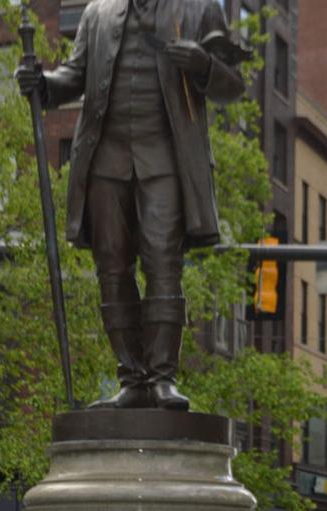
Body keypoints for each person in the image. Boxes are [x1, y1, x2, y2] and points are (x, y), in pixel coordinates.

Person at [15, 0, 246, 410]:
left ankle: (162, 378)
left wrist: (203, 65)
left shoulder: (199, 8)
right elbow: (76, 75)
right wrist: (43, 83)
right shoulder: (97, 14)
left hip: (166, 159)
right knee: (112, 267)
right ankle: (132, 378)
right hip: (106, 159)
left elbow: (233, 84)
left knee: (162, 263)